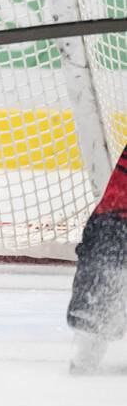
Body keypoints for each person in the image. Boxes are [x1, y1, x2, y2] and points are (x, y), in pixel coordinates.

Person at [68, 145, 127, 372]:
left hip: (107, 227)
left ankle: (83, 363)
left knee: (94, 321)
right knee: (94, 320)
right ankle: (83, 364)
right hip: (112, 228)